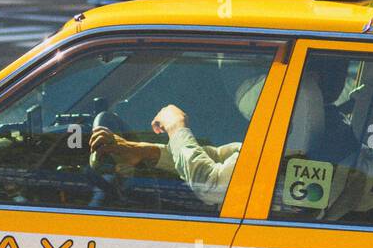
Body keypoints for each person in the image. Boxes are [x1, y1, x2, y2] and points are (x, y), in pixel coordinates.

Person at [88, 74, 264, 207]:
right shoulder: (281, 143)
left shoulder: (283, 144)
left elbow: (213, 187)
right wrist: (144, 152)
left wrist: (176, 127)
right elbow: (224, 160)